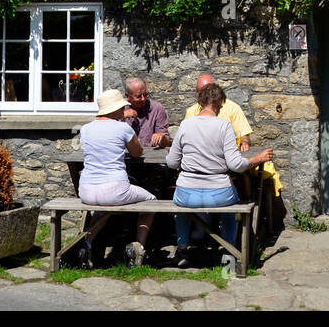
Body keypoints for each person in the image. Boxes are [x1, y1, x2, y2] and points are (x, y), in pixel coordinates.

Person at [166, 80, 272, 268]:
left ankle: (182, 249)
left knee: (180, 209)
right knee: (233, 206)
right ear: (221, 103)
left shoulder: (185, 125)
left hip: (186, 194)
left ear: (199, 102)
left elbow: (172, 162)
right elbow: (235, 164)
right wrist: (257, 158)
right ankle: (229, 252)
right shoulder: (224, 127)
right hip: (218, 194)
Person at [77, 89, 156, 268]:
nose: (123, 111)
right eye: (121, 108)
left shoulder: (86, 129)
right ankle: (139, 247)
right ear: (114, 110)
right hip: (114, 189)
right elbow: (138, 152)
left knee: (104, 209)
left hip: (87, 190)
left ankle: (87, 243)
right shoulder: (123, 128)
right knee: (151, 201)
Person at [183, 72, 283, 197]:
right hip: (206, 168)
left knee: (241, 177)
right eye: (201, 92)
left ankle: (240, 211)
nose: (206, 95)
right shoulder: (191, 112)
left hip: (209, 171)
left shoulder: (232, 108)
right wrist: (258, 158)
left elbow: (244, 134)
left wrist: (245, 141)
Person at [122, 77, 171, 149]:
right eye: (138, 96)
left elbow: (168, 142)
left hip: (151, 155)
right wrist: (122, 116)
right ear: (127, 96)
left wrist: (162, 137)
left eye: (145, 94)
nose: (143, 99)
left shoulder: (156, 108)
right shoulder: (120, 109)